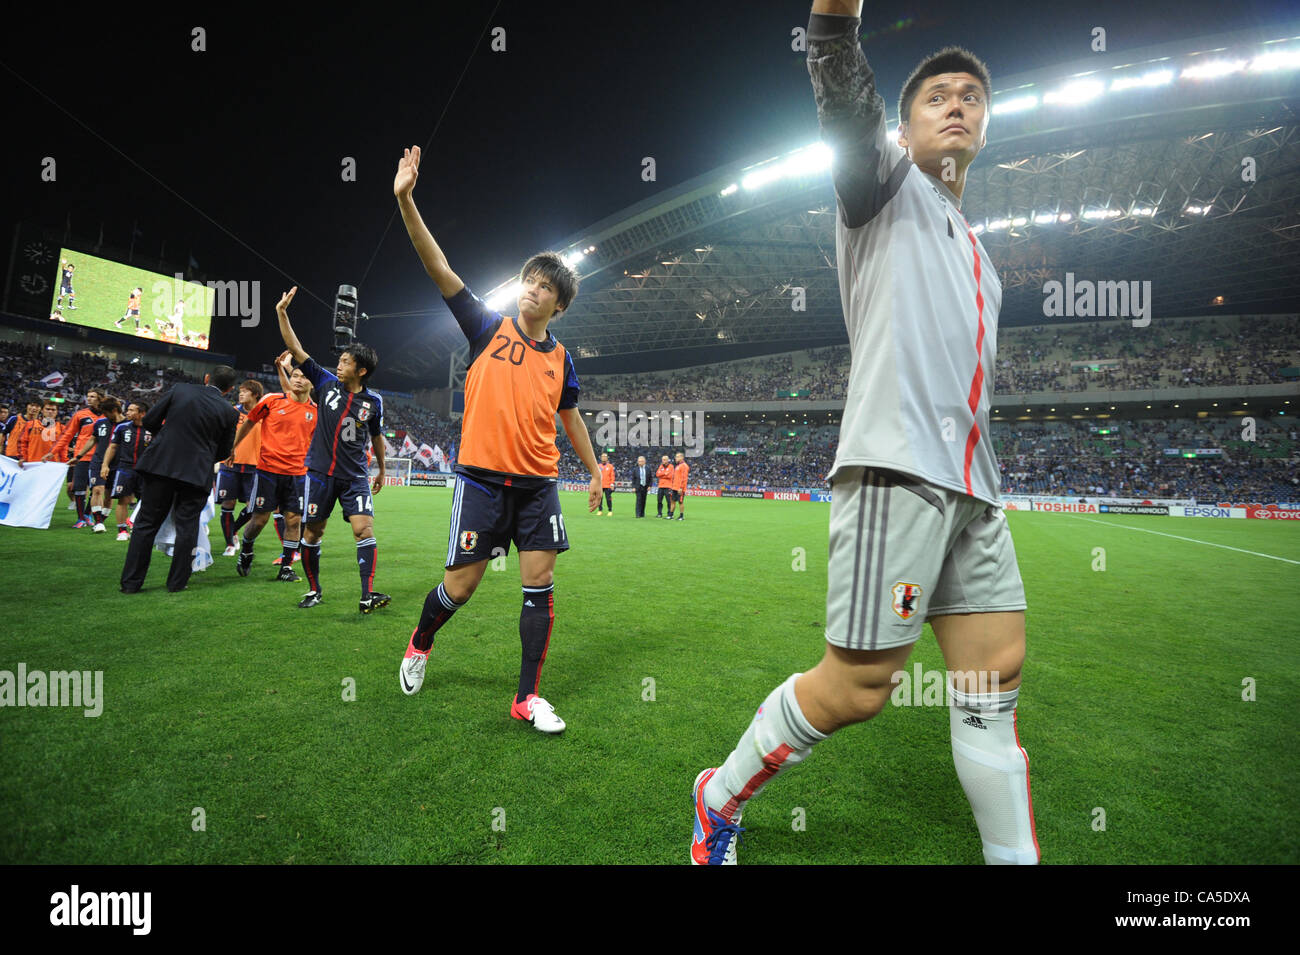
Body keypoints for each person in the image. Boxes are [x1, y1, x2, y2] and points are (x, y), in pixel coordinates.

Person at [691, 1, 1036, 866]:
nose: (957, 104)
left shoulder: (986, 261)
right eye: (936, 97)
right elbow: (841, 80)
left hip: (976, 491)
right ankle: (719, 795)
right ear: (904, 126)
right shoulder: (881, 184)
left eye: (972, 97)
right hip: (897, 468)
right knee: (857, 688)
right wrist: (836, 19)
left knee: (994, 682)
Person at [393, 143, 602, 734]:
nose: (530, 289)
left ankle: (526, 697)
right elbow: (438, 267)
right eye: (528, 280)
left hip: (538, 485)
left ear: (558, 304)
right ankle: (421, 639)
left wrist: (591, 470)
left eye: (543, 287)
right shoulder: (487, 327)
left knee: (540, 585)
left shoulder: (561, 358)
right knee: (461, 587)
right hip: (482, 481)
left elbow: (572, 418)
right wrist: (407, 199)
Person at [275, 289, 389, 613]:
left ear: (361, 370)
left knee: (363, 528)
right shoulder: (324, 383)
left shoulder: (374, 402)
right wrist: (282, 313)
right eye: (339, 361)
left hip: (355, 477)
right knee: (314, 531)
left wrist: (381, 469)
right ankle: (314, 590)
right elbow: (295, 349)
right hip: (321, 475)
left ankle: (367, 594)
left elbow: (376, 436)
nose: (338, 366)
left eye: (344, 362)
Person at [120, 367, 240, 593]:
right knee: (188, 526)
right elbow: (224, 450)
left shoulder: (180, 389)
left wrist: (166, 439)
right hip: (196, 473)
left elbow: (151, 420)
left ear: (206, 378)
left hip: (162, 464)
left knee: (146, 524)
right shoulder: (230, 411)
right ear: (230, 389)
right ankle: (177, 583)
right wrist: (202, 456)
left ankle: (131, 583)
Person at [233, 352, 316, 584]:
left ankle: (287, 566)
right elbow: (249, 421)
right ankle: (247, 550)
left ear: (311, 383)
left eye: (304, 377)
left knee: (293, 521)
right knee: (259, 520)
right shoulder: (272, 400)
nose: (298, 379)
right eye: (295, 375)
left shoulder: (316, 412)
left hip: (298, 475)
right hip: (268, 471)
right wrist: (234, 447)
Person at [217, 379, 265, 555]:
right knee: (228, 503)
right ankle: (230, 543)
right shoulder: (232, 412)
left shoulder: (265, 414)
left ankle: (234, 529)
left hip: (255, 467)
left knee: (253, 507)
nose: (240, 394)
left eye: (245, 391)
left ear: (255, 395)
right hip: (230, 465)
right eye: (240, 391)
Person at [45, 387, 103, 527]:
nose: (89, 399)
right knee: (79, 488)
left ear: (100, 398)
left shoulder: (107, 415)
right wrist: (53, 452)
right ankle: (81, 518)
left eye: (93, 396)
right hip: (81, 456)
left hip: (100, 457)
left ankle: (89, 514)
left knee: (96, 489)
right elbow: (67, 435)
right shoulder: (80, 415)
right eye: (88, 396)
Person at [72, 397, 122, 532]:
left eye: (106, 412)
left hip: (118, 464)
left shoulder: (127, 425)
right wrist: (78, 456)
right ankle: (98, 522)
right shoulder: (100, 423)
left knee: (109, 495)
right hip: (98, 461)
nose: (104, 415)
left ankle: (101, 521)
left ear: (114, 410)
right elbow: (92, 439)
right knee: (97, 489)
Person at [103, 401, 151, 540]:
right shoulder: (122, 428)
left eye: (131, 410)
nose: (127, 413)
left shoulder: (153, 429)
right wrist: (105, 465)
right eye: (127, 410)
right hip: (125, 468)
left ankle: (139, 527)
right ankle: (122, 531)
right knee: (122, 500)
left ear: (142, 413)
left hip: (145, 471)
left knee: (146, 502)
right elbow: (112, 447)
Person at [672, 451, 689, 521]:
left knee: (680, 502)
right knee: (673, 501)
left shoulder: (684, 466)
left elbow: (684, 478)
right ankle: (670, 515)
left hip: (680, 488)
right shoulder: (678, 466)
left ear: (682, 457)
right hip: (675, 487)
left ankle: (681, 516)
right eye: (676, 457)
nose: (676, 458)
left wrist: (681, 488)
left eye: (677, 457)